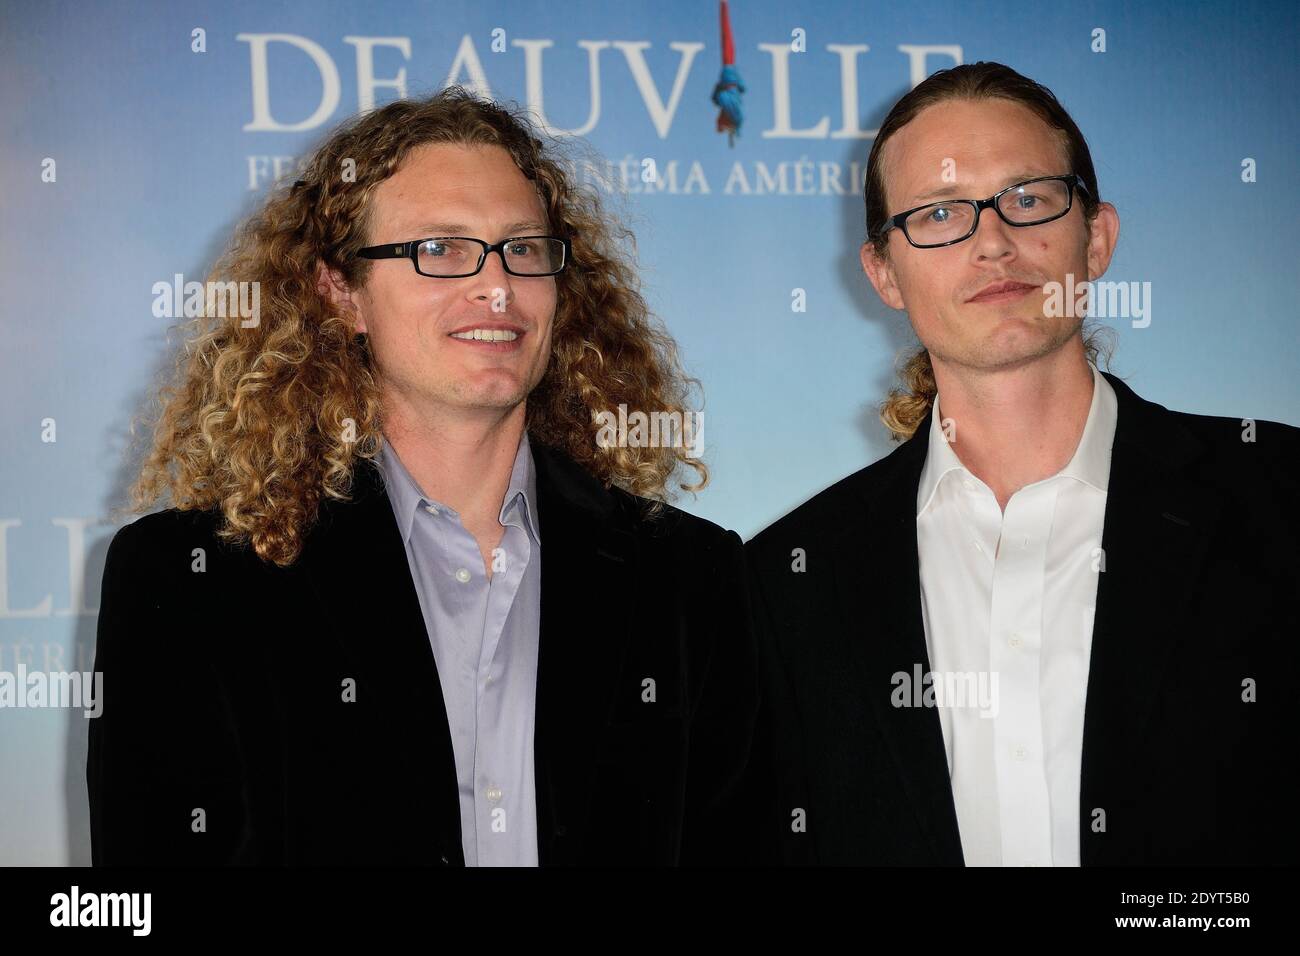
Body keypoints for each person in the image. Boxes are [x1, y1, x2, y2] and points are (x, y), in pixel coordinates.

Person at [88, 88, 758, 866]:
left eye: (524, 248)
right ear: (341, 293)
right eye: (439, 250)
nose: (496, 286)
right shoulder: (190, 579)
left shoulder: (689, 578)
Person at [745, 62, 1299, 866]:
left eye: (1029, 199)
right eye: (939, 214)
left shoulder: (1279, 496)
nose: (992, 242)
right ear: (883, 273)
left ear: (1098, 236)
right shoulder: (784, 585)